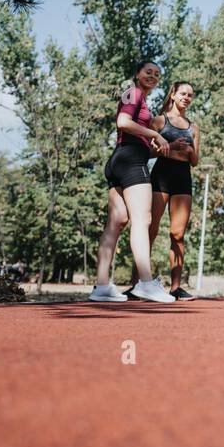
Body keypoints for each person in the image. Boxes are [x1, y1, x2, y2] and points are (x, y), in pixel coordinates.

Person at [88, 60, 175, 303]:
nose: (153, 76)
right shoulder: (132, 92)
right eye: (148, 71)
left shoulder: (140, 98)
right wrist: (155, 133)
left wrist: (159, 148)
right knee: (142, 220)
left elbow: (134, 139)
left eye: (157, 74)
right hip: (129, 161)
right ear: (137, 73)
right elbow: (123, 123)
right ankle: (146, 283)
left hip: (123, 160)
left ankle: (102, 286)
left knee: (117, 222)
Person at [148, 81, 200, 299]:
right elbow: (148, 153)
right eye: (183, 93)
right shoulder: (159, 121)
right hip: (162, 175)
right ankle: (139, 283)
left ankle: (176, 287)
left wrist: (188, 149)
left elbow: (196, 161)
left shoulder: (193, 127)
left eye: (190, 95)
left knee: (177, 234)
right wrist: (168, 149)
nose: (186, 97)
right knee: (149, 228)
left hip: (182, 177)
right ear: (173, 95)